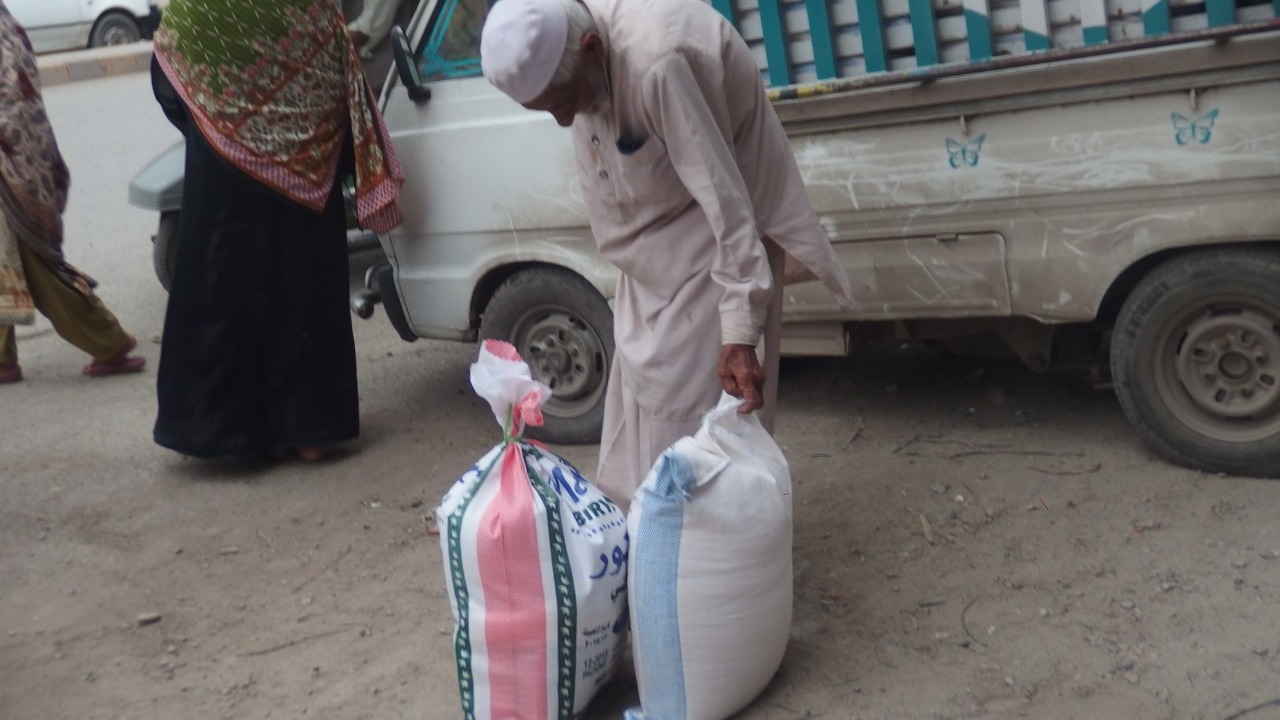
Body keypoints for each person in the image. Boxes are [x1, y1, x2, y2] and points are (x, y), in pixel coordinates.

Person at [480, 0, 854, 508]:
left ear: (592, 49)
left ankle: (697, 560)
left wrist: (741, 330)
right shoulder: (581, 50)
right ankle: (635, 539)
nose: (563, 118)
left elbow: (728, 201)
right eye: (546, 109)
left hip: (713, 240)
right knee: (634, 397)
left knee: (687, 424)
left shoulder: (661, 61)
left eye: (563, 100)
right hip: (650, 248)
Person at [150, 0, 404, 461]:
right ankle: (310, 430)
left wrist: (220, 125)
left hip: (222, 178)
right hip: (306, 174)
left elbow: (170, 75)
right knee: (301, 284)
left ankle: (225, 433)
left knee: (225, 284)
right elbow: (336, 67)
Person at [0, 1, 146, 386]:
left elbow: (11, 103)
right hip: (23, 159)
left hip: (12, 167)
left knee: (35, 265)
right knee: (4, 263)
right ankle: (2, 360)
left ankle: (110, 342)